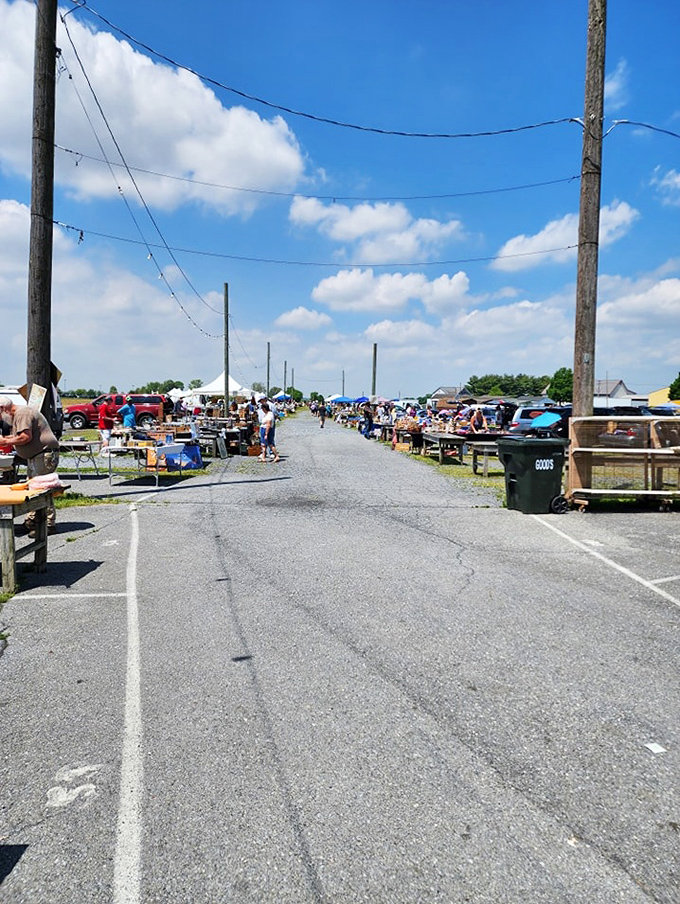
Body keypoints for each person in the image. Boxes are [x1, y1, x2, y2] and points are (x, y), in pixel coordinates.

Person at [0, 396, 60, 533]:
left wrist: (5, 442)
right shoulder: (19, 414)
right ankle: (32, 520)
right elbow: (19, 436)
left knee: (42, 488)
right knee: (32, 487)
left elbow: (25, 437)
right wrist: (6, 439)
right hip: (38, 455)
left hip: (43, 455)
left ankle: (48, 524)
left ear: (3, 409)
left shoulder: (22, 413)